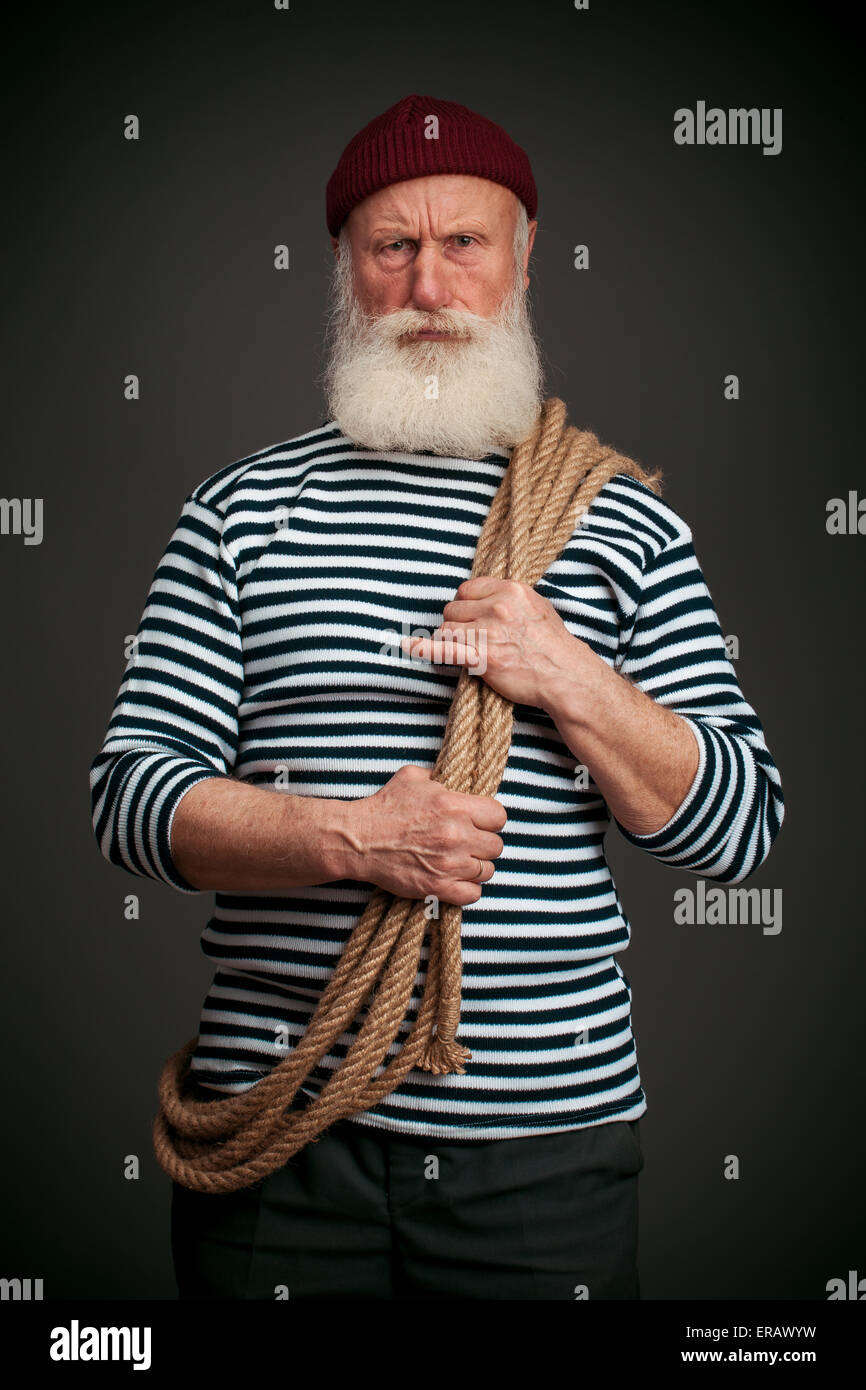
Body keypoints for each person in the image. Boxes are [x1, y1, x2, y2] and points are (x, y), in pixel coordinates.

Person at [89, 93, 784, 1301]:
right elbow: (132, 801)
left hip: (542, 1157)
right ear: (343, 267)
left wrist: (564, 672)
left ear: (522, 256)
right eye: (391, 246)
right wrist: (350, 836)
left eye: (463, 242)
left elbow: (737, 829)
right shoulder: (237, 512)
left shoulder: (620, 517)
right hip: (279, 1139)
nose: (428, 285)